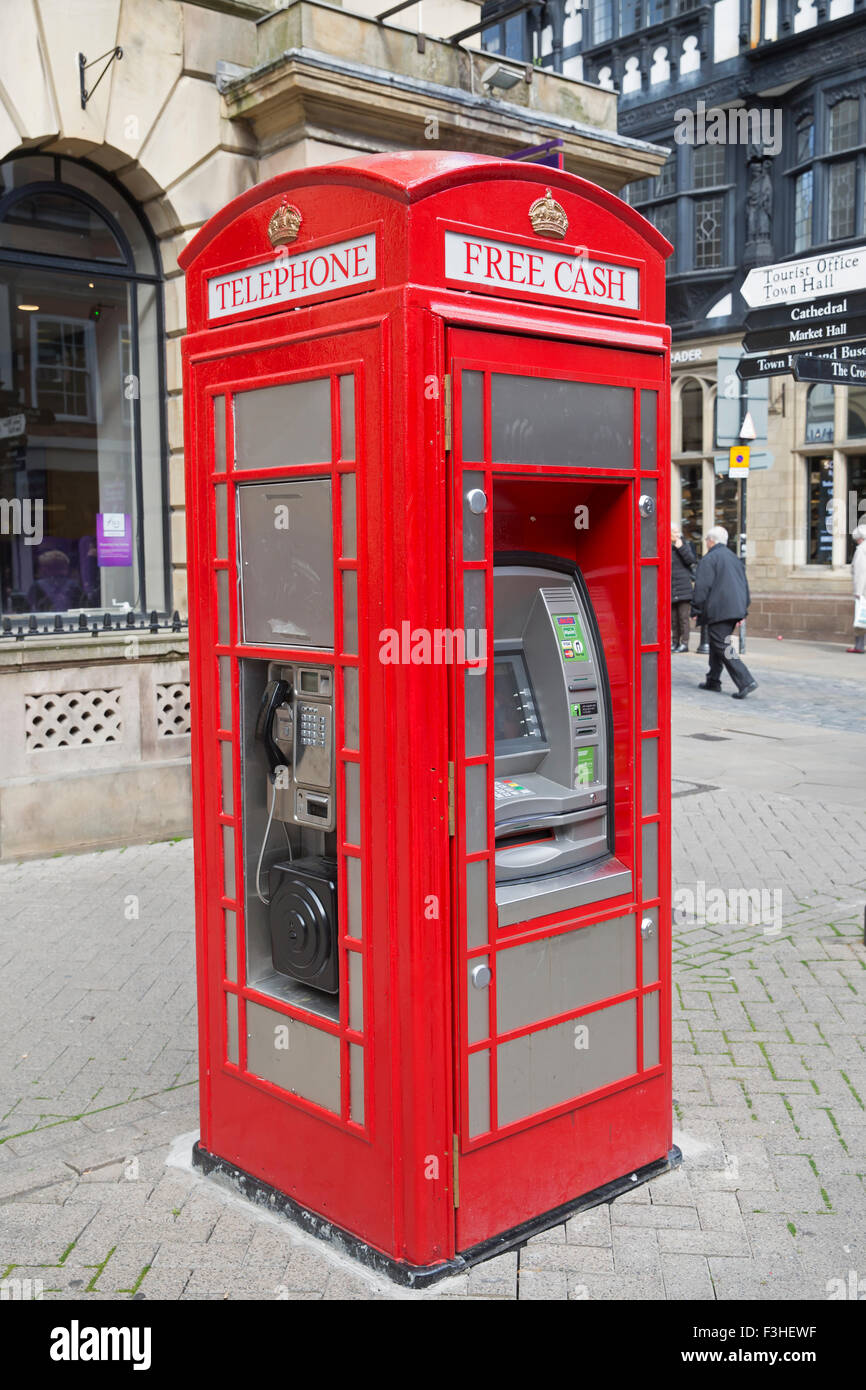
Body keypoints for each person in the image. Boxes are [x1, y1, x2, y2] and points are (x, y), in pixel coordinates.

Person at [690, 525, 758, 699]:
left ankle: (745, 680)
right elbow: (745, 585)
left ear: (711, 541)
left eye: (706, 540)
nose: (706, 543)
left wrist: (696, 608)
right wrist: (743, 610)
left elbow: (702, 587)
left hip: (719, 609)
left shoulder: (709, 559)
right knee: (717, 643)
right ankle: (713, 680)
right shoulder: (734, 558)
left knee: (722, 645)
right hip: (734, 608)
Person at [670, 522, 696, 652]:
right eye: (674, 532)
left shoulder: (684, 544)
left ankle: (684, 643)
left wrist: (680, 547)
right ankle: (674, 641)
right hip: (671, 587)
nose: (676, 534)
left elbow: (691, 560)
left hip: (683, 587)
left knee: (683, 618)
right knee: (674, 619)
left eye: (677, 531)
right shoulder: (666, 546)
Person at [848, 524, 866, 654]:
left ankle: (859, 646)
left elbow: (860, 572)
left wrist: (858, 593)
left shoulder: (861, 550)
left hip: (864, 591)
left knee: (861, 619)